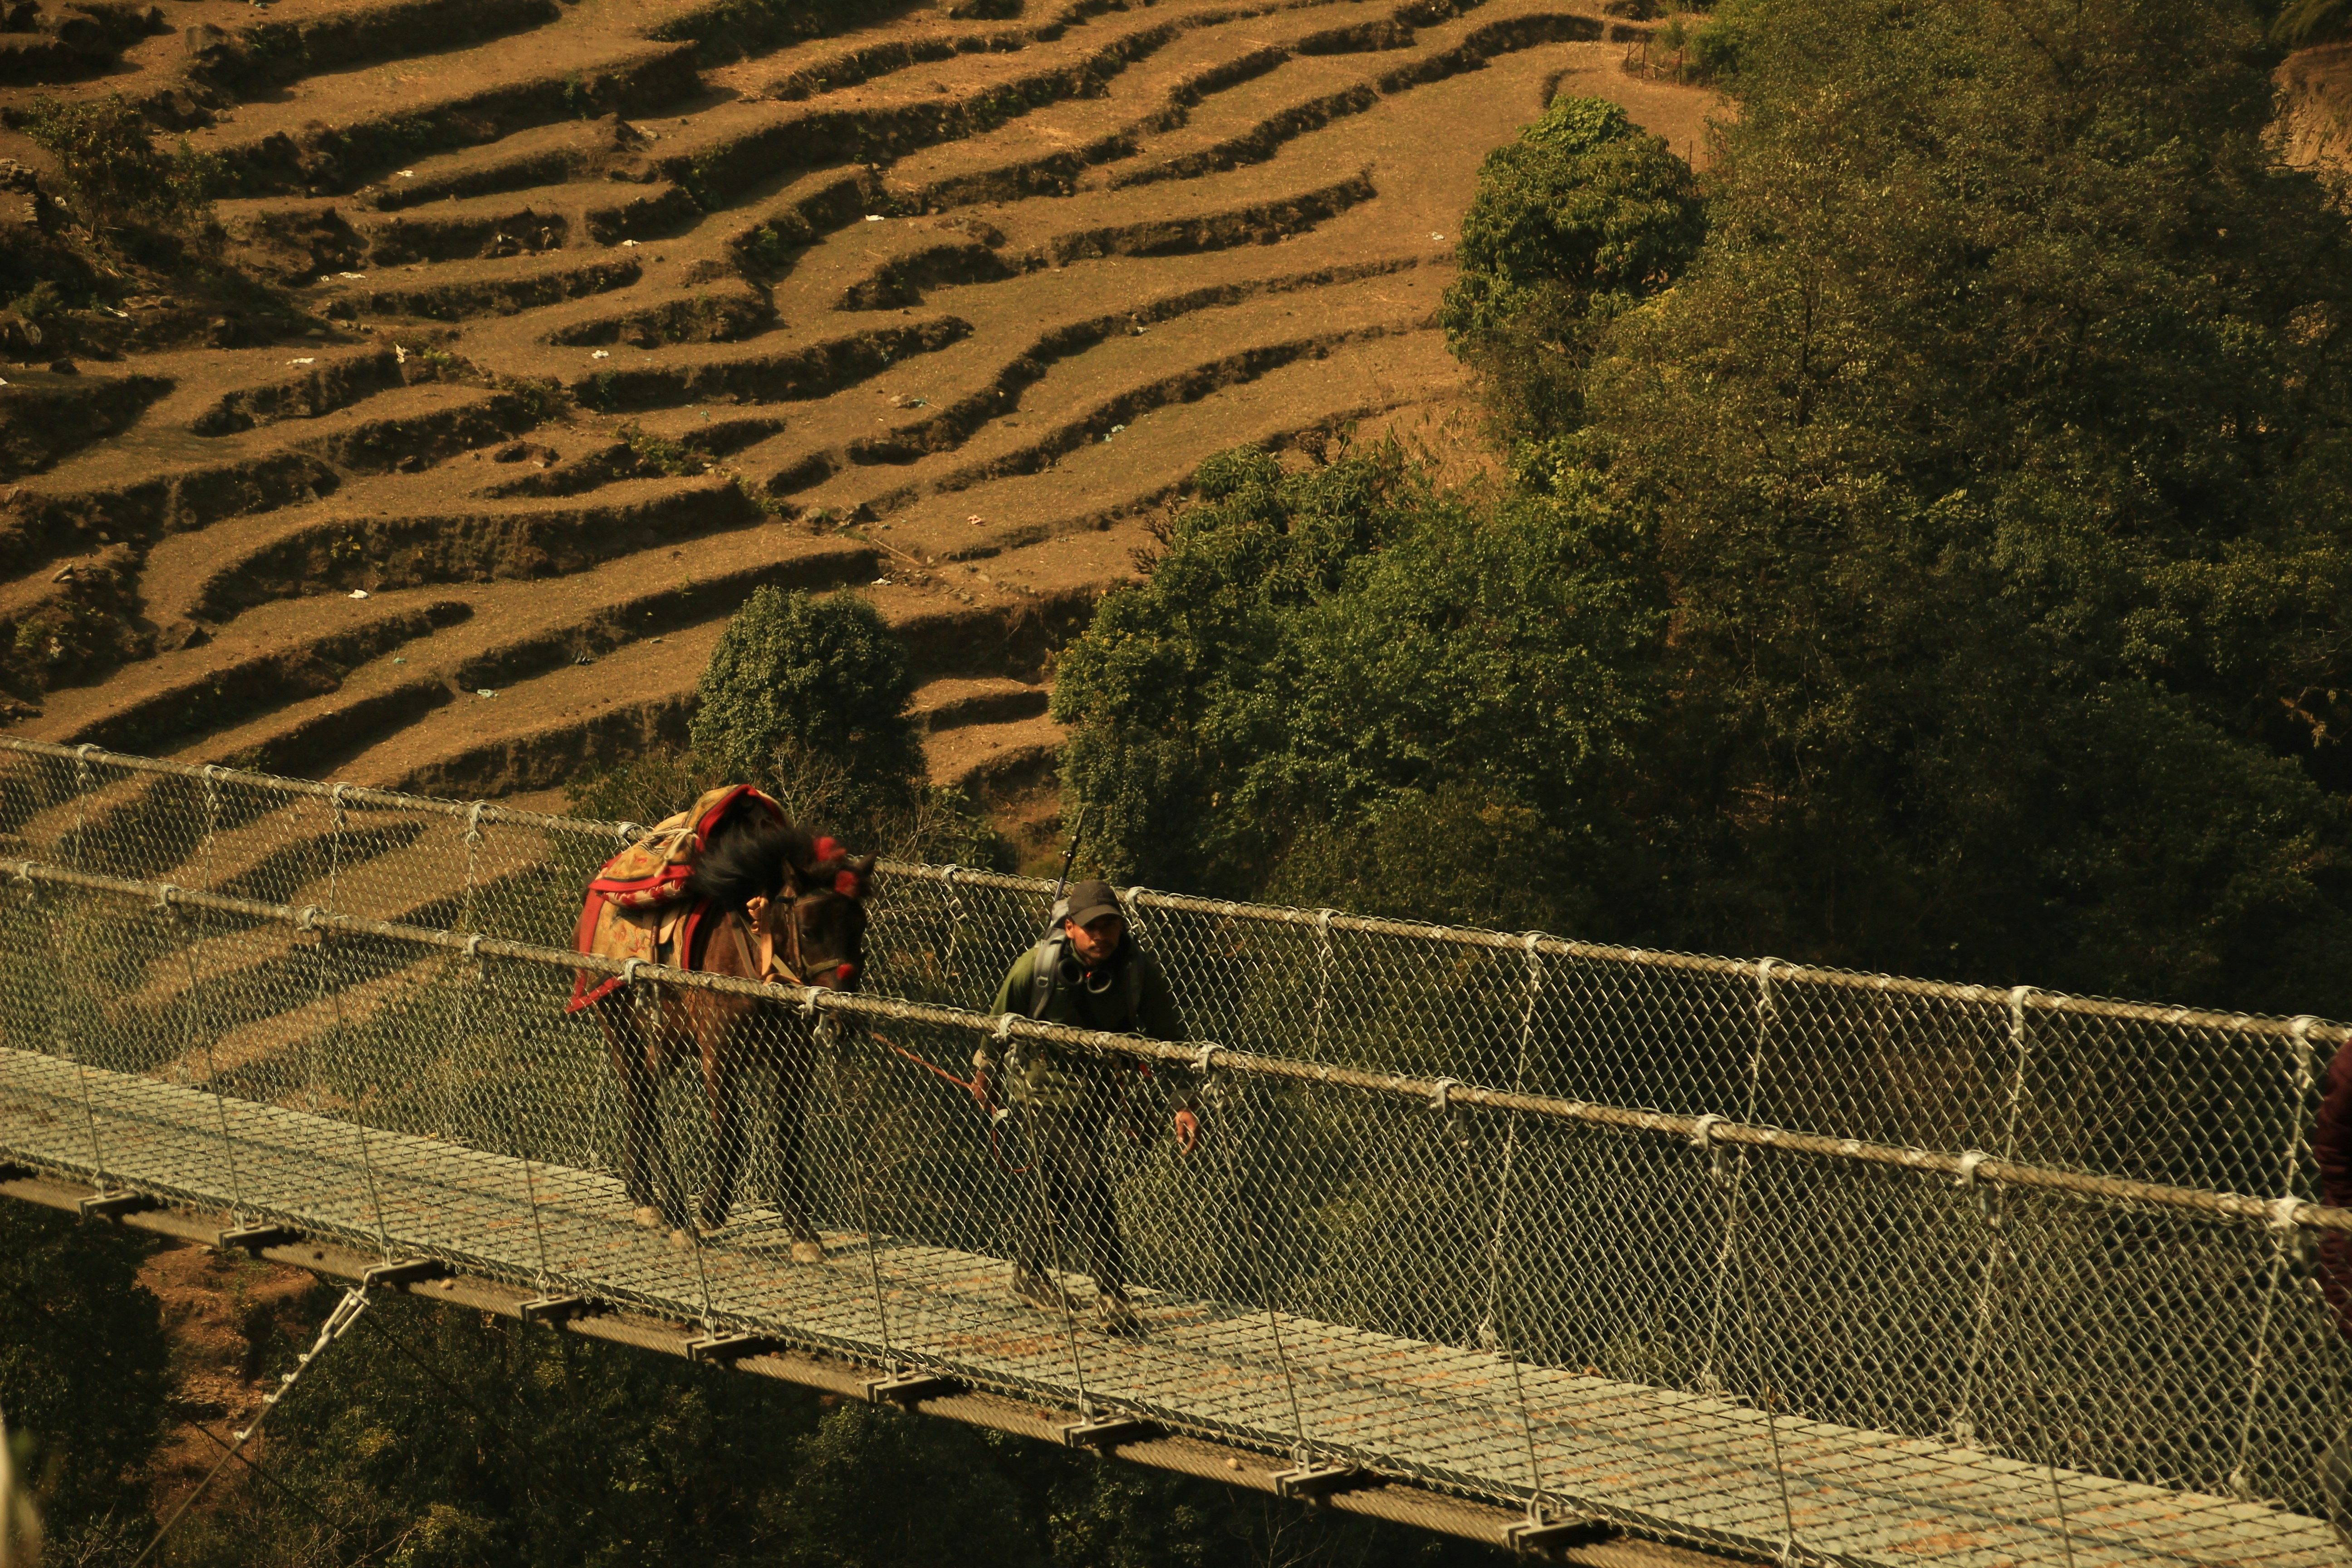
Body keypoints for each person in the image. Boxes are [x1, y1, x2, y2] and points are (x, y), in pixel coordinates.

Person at [972, 879, 1197, 1336]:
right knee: (1088, 1177)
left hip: (1099, 1092)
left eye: (1111, 925)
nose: (1102, 936)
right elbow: (1000, 1020)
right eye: (1092, 927)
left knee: (1058, 1181)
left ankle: (1028, 1275)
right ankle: (1113, 1296)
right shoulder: (1038, 966)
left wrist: (1182, 1105)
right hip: (1041, 1089)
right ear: (1070, 928)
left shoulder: (1138, 971)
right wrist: (986, 1073)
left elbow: (1169, 1039)